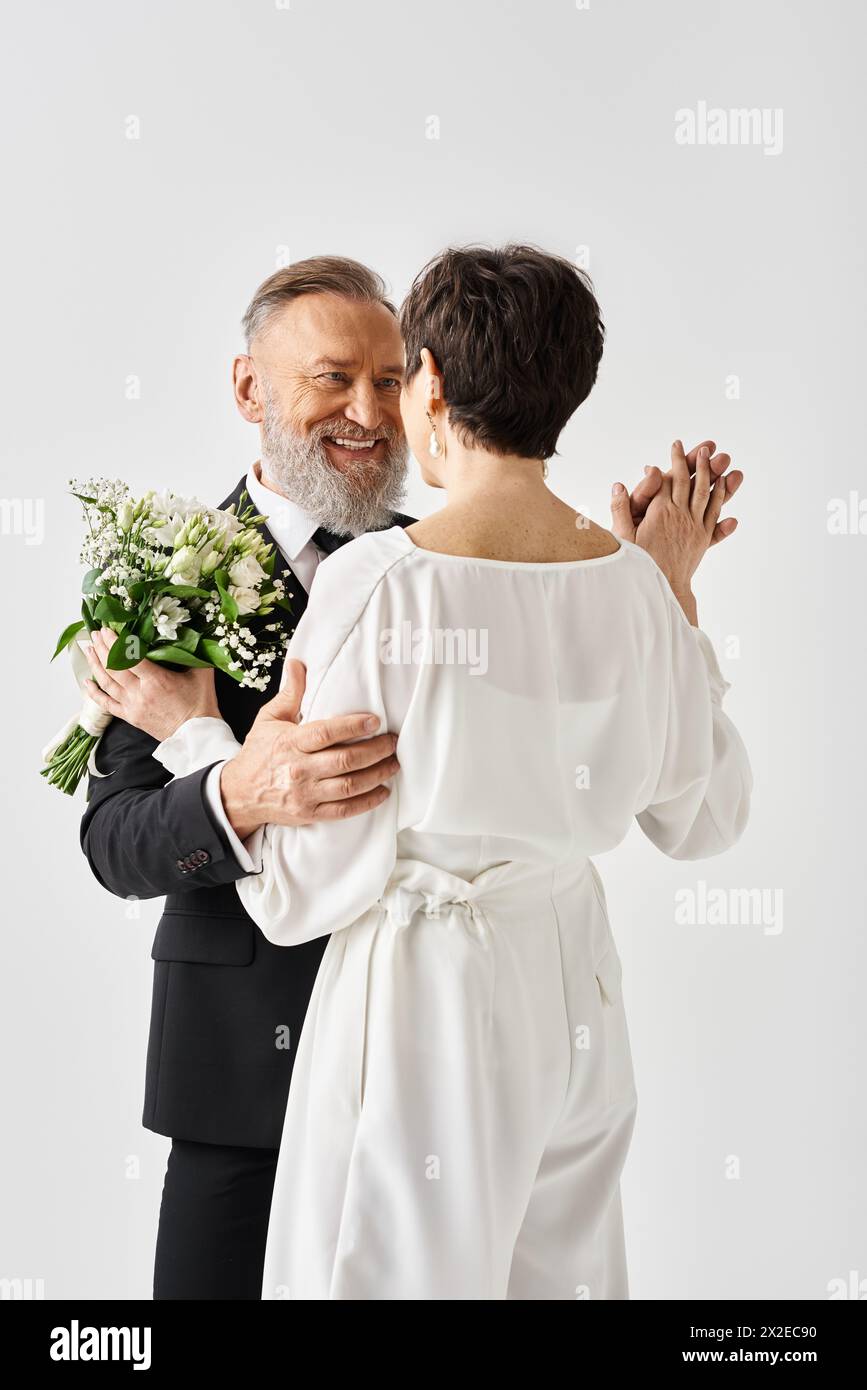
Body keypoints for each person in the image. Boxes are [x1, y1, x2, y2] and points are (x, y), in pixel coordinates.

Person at [85, 245, 751, 1299]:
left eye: (390, 379)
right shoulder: (622, 585)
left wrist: (209, 743)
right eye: (333, 379)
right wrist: (663, 605)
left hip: (401, 1027)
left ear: (428, 381)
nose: (370, 408)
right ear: (249, 387)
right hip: (481, 1031)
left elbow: (301, 894)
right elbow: (112, 836)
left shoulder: (387, 574)